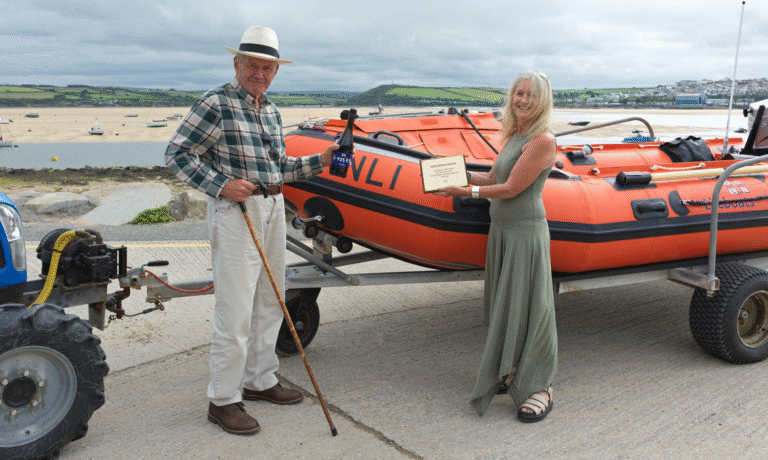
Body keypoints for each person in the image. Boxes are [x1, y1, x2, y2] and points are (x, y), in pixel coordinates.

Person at [164, 25, 339, 435]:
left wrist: (324, 159)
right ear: (237, 63)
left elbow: (279, 170)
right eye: (253, 65)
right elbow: (176, 154)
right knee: (235, 309)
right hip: (234, 210)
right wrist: (222, 185)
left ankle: (260, 379)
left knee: (270, 298)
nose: (259, 73)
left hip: (273, 206)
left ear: (276, 70)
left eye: (268, 66)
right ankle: (223, 400)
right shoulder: (216, 102)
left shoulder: (272, 111)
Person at [434, 71, 558, 423]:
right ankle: (512, 367)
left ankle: (541, 386)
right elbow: (494, 179)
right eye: (518, 93)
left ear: (542, 100)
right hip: (502, 233)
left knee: (532, 308)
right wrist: (450, 172)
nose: (522, 100)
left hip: (524, 234)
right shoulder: (516, 136)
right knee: (507, 306)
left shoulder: (542, 140)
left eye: (531, 95)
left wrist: (464, 191)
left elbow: (511, 189)